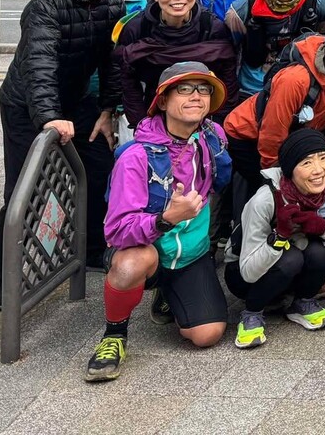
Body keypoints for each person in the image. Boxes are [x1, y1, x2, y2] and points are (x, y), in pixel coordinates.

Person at [0, 0, 124, 310]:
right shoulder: (47, 3)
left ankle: (92, 249)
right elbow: (39, 65)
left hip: (76, 100)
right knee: (23, 187)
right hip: (26, 104)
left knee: (100, 167)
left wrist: (107, 110)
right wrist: (49, 117)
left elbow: (113, 62)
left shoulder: (111, 1)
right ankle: (0, 277)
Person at [86, 63, 232, 381]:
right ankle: (114, 335)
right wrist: (165, 220)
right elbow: (116, 230)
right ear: (163, 101)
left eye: (203, 89)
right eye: (185, 89)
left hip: (191, 253)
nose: (196, 96)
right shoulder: (136, 157)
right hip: (146, 249)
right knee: (129, 264)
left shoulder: (212, 137)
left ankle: (168, 293)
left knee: (207, 335)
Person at [225, 127, 325, 348]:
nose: (318, 170)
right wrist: (280, 235)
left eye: (323, 159)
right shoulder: (266, 199)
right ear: (290, 170)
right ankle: (252, 312)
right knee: (291, 258)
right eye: (306, 163)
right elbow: (247, 272)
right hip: (244, 274)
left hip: (294, 268)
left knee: (321, 252)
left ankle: (302, 302)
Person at [223, 10, 325, 203]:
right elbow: (272, 133)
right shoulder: (296, 79)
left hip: (296, 135)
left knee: (305, 192)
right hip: (248, 134)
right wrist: (277, 179)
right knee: (267, 199)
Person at [112, 0, 238, 127]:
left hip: (202, 111)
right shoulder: (137, 28)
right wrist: (142, 125)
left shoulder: (211, 27)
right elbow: (128, 81)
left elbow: (227, 77)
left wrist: (219, 123)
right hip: (153, 109)